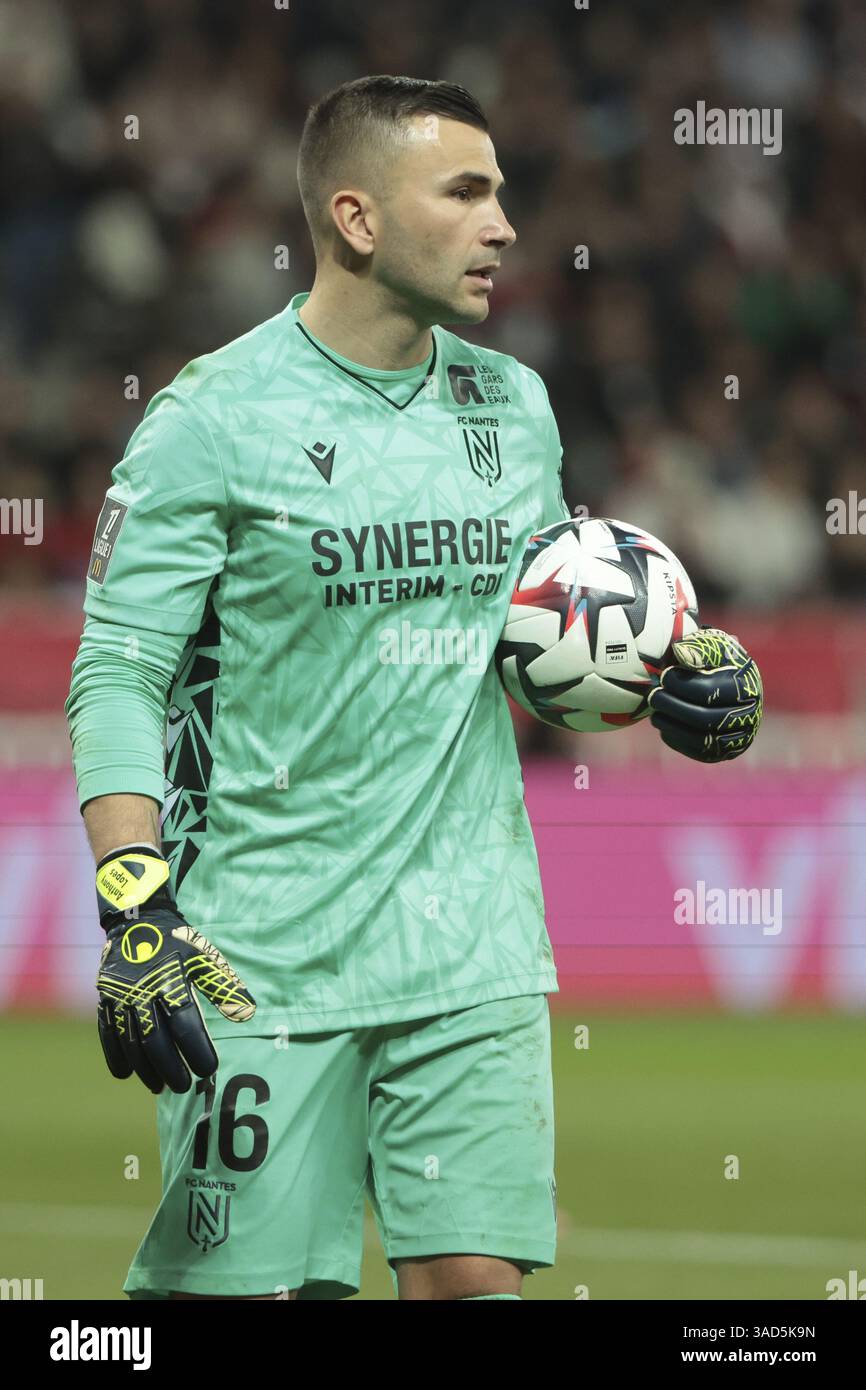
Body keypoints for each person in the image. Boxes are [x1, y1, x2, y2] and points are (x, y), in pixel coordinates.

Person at [66, 75, 762, 1302]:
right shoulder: (210, 420)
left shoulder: (513, 405)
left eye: (499, 191)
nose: (504, 224)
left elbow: (543, 643)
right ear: (357, 219)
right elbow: (118, 668)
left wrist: (670, 684)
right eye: (466, 192)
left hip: (472, 945)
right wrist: (135, 899)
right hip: (261, 955)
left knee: (471, 1283)